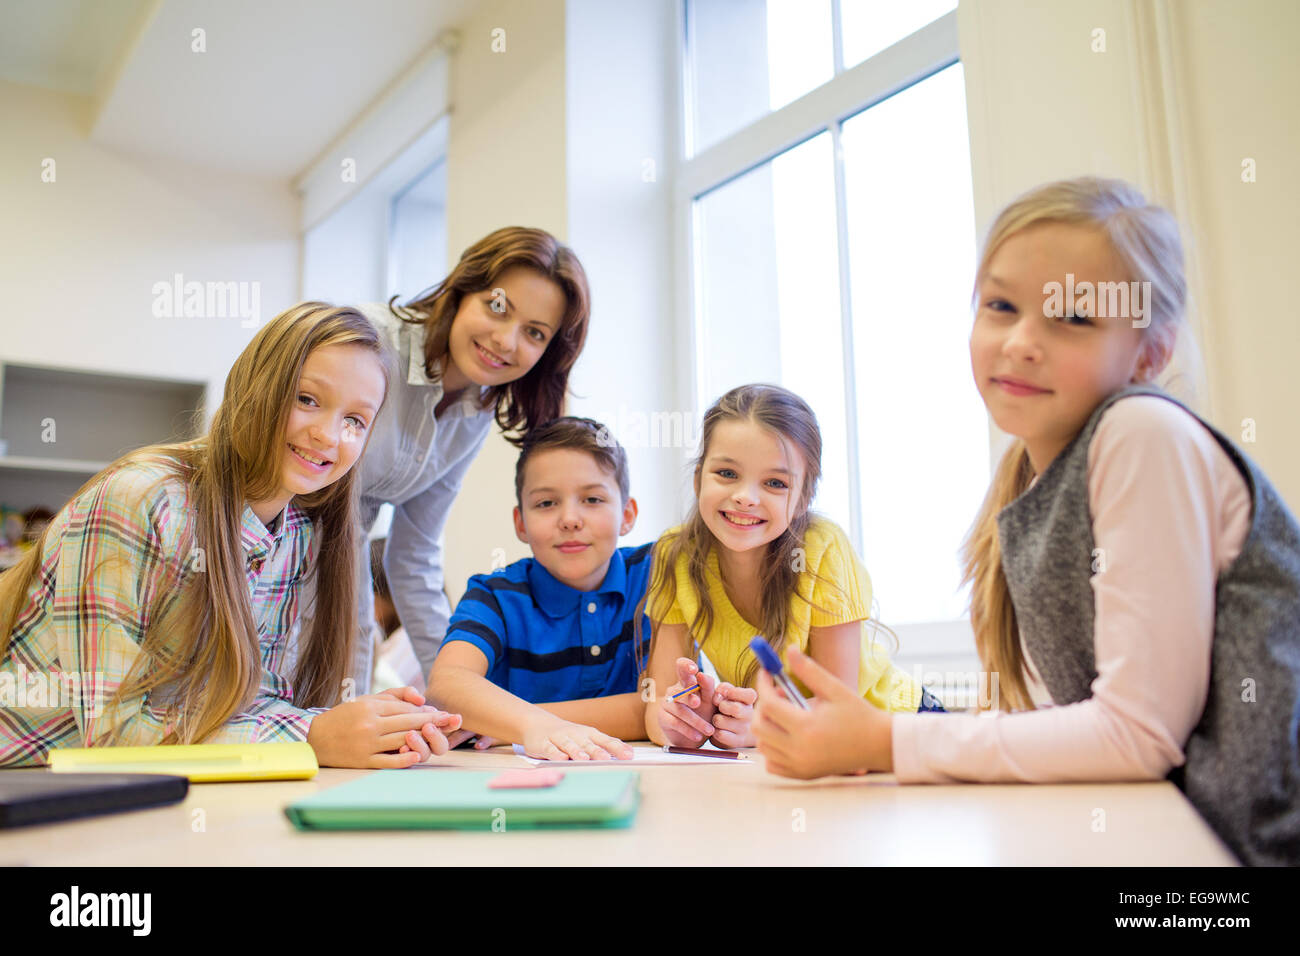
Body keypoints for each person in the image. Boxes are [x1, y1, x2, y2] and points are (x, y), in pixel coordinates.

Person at [753, 177, 1300, 866]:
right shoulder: (1036, 477)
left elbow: (1137, 733)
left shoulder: (1142, 432)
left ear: (1151, 353)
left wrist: (884, 740)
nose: (1019, 342)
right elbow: (1070, 729)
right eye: (1000, 305)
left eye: (1073, 317)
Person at [0, 302, 459, 769]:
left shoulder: (296, 533)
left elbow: (244, 708)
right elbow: (115, 732)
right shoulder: (140, 498)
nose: (328, 435)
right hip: (30, 781)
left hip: (145, 788)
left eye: (355, 421)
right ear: (253, 389)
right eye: (307, 399)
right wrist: (314, 734)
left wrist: (383, 728)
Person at [351, 227, 592, 691]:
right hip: (256, 565)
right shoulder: (368, 341)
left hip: (341, 585)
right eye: (498, 307)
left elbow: (414, 555)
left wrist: (457, 686)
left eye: (535, 333)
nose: (506, 341)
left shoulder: (475, 410)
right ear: (464, 289)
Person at [640, 384, 940, 751]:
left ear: (803, 500)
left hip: (900, 726)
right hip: (801, 750)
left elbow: (838, 705)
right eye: (727, 474)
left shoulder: (821, 548)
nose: (745, 497)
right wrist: (684, 720)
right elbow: (658, 705)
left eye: (775, 483)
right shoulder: (676, 554)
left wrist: (760, 726)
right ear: (698, 477)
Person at [426, 417, 650, 760]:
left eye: (592, 499)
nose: (570, 519)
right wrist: (534, 726)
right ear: (521, 523)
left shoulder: (656, 575)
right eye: (546, 503)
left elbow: (657, 707)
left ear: (628, 514)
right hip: (524, 780)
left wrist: (512, 724)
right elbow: (446, 685)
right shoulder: (494, 595)